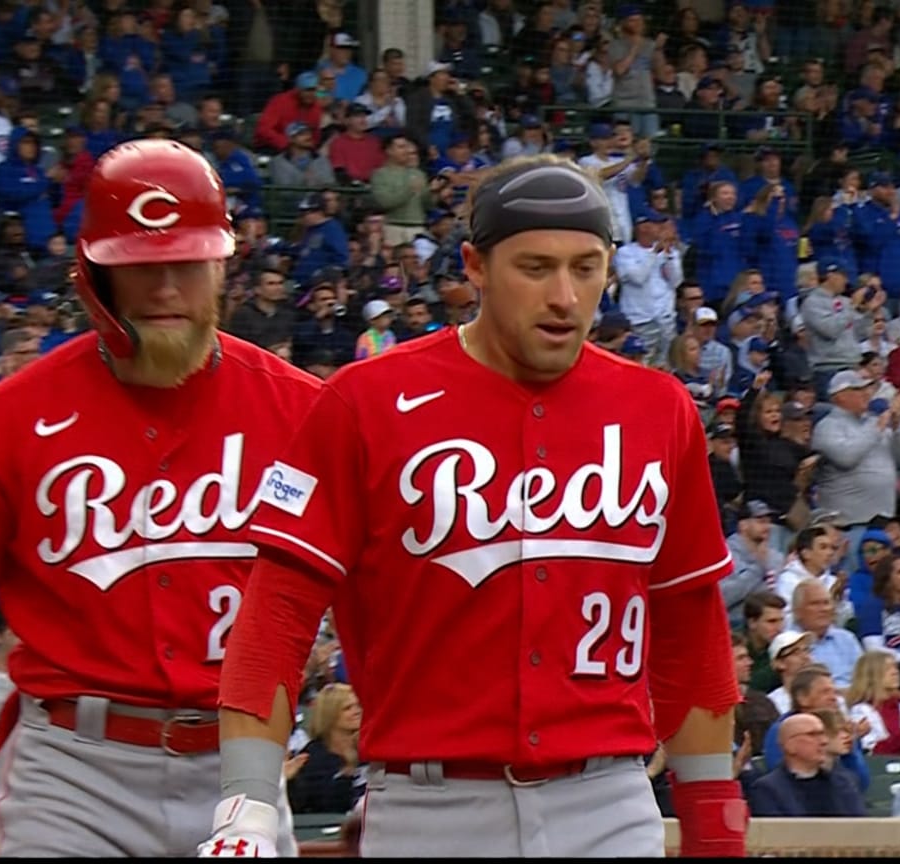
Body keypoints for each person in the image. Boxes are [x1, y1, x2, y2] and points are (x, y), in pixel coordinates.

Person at [202, 156, 747, 858]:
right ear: (475, 266)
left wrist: (716, 823)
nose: (564, 296)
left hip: (608, 801)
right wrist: (244, 804)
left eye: (586, 268)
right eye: (535, 267)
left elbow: (690, 622)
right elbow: (277, 612)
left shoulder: (660, 407)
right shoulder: (363, 401)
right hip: (430, 805)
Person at [0, 141, 321, 857]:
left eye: (188, 261)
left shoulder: (304, 412)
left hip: (242, 763)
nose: (167, 286)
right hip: (75, 770)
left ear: (223, 262)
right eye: (141, 265)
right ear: (94, 273)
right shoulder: (8, 416)